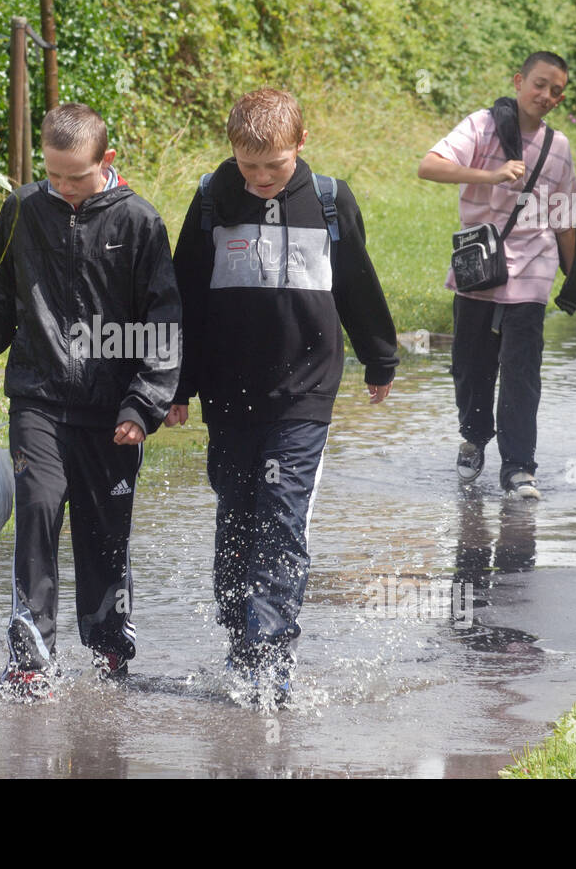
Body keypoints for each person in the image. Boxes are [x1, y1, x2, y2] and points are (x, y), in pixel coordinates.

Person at [0, 102, 180, 698]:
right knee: (38, 511)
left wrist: (143, 405)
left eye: (77, 176)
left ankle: (109, 647)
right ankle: (31, 655)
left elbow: (163, 322)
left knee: (103, 533)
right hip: (37, 399)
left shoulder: (140, 223)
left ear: (107, 160)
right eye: (53, 175)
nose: (63, 188)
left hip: (113, 411)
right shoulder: (22, 209)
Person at [168, 87, 399, 705]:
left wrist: (380, 354)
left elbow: (356, 283)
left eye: (276, 164)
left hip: (306, 391)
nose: (264, 177)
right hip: (228, 389)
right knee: (237, 510)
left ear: (301, 143)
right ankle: (239, 631)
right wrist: (179, 383)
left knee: (281, 514)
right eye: (250, 166)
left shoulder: (330, 201)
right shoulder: (212, 199)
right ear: (232, 153)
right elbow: (184, 293)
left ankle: (271, 650)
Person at [417, 51, 576, 499]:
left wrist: (574, 274)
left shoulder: (558, 147)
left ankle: (519, 468)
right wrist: (488, 175)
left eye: (556, 90)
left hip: (533, 267)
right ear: (519, 81)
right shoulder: (480, 126)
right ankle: (473, 438)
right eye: (540, 84)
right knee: (470, 365)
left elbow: (564, 218)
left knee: (521, 370)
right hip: (479, 262)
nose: (546, 95)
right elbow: (428, 166)